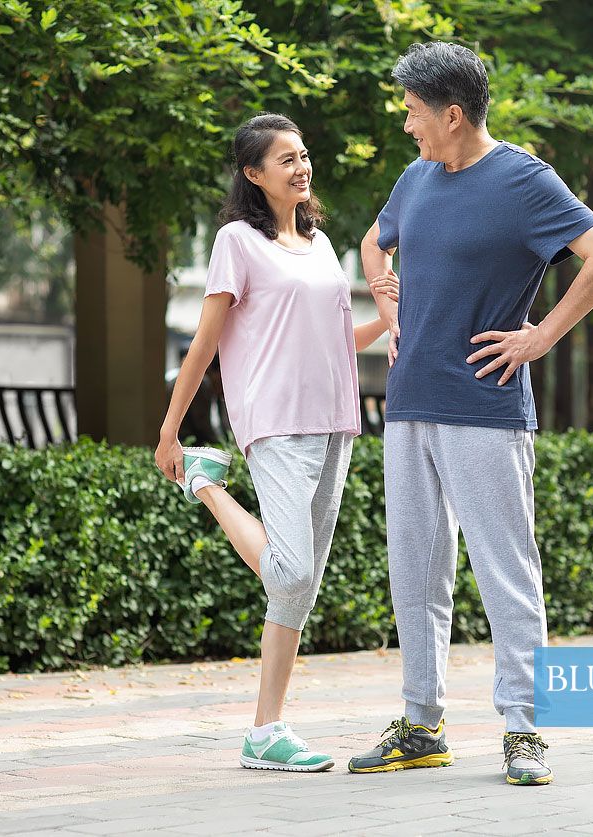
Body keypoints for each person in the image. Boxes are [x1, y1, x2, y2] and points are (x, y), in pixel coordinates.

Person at [347, 42, 593, 785]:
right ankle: (420, 722)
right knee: (414, 568)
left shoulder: (523, 179)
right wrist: (385, 300)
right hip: (409, 403)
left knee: (506, 570)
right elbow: (372, 243)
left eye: (412, 113)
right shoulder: (416, 178)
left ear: (450, 113)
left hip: (483, 403)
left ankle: (524, 729)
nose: (406, 126)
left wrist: (540, 335)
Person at [155, 113, 398, 773]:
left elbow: (332, 340)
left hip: (333, 420)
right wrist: (170, 428)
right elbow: (205, 342)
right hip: (274, 420)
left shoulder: (319, 244)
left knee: (297, 587)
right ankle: (204, 481)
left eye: (303, 155)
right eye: (284, 159)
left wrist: (388, 322)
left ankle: (265, 732)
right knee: (289, 568)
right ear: (253, 173)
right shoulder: (237, 240)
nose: (300, 167)